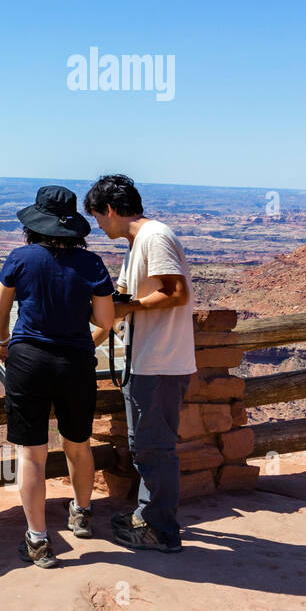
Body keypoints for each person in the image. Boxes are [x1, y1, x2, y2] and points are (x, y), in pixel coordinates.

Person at [0, 185, 117, 568]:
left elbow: (1, 311)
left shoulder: (20, 258)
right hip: (75, 363)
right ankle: (81, 513)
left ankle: (38, 540)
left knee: (31, 454)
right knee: (77, 444)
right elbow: (106, 320)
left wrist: (3, 343)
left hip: (28, 361)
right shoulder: (93, 264)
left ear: (34, 223)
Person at [83, 173, 195, 553]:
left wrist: (128, 306)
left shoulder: (154, 237)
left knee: (155, 449)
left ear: (111, 210)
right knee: (146, 445)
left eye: (98, 217)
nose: (98, 226)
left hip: (160, 363)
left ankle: (160, 530)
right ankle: (148, 516)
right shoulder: (136, 246)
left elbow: (175, 293)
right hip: (148, 363)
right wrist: (85, 347)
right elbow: (119, 310)